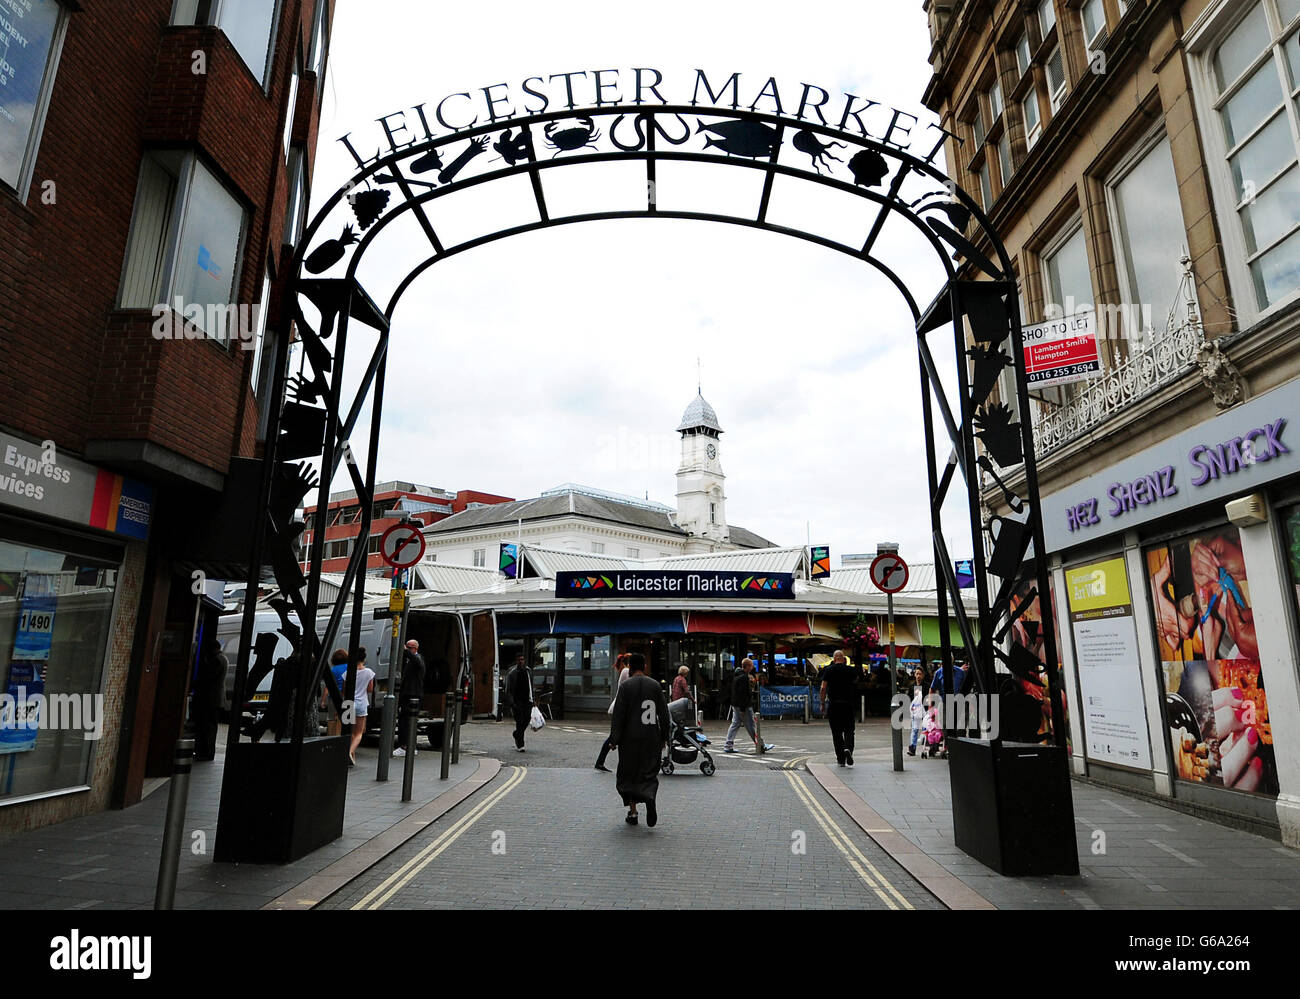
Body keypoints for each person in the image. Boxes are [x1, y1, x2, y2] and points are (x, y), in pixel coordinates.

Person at [608, 653, 669, 826]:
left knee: (628, 774)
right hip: (651, 737)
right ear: (644, 667)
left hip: (630, 739)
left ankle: (633, 812)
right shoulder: (655, 686)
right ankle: (649, 796)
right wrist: (664, 737)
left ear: (631, 668)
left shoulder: (626, 687)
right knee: (648, 772)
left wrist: (614, 739)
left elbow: (618, 715)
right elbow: (664, 714)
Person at [819, 649, 861, 767]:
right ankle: (848, 748)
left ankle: (841, 759)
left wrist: (822, 703)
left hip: (834, 705)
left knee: (836, 733)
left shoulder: (828, 670)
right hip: (847, 704)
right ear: (843, 659)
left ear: (834, 659)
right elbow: (856, 680)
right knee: (849, 730)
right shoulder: (850, 670)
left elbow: (823, 688)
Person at [724, 658, 772, 754]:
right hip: (744, 706)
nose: (753, 667)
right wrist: (743, 708)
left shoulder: (737, 674)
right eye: (752, 665)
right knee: (751, 725)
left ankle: (728, 745)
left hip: (735, 704)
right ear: (748, 666)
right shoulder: (744, 677)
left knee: (735, 724)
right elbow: (743, 694)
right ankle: (761, 745)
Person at [192, 637, 227, 761]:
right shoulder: (222, 659)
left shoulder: (217, 660)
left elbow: (208, 678)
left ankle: (206, 752)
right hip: (216, 699)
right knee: (211, 726)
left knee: (208, 727)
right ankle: (206, 751)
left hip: (211, 699)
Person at [595, 653, 631, 772]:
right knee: (614, 736)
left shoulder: (625, 671)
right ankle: (600, 762)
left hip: (620, 707)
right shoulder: (626, 671)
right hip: (620, 708)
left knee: (617, 735)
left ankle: (601, 762)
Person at [394, 638, 425, 757]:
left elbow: (417, 662)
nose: (407, 649)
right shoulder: (408, 660)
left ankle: (406, 746)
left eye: (410, 647)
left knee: (407, 721)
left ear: (415, 649)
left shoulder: (418, 659)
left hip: (412, 694)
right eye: (406, 646)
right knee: (405, 720)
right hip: (407, 694)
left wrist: (406, 651)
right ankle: (407, 745)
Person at [348, 647, 375, 766]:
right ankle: (350, 752)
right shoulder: (369, 672)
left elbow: (344, 689)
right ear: (364, 658)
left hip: (348, 702)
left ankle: (350, 755)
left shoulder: (349, 671)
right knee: (359, 733)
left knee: (348, 731)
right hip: (362, 702)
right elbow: (370, 689)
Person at [503, 654, 535, 752]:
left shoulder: (528, 671)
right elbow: (508, 689)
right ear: (516, 661)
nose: (521, 661)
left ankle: (516, 734)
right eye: (519, 660)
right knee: (519, 722)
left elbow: (531, 686)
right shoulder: (512, 673)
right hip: (517, 701)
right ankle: (520, 744)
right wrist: (512, 703)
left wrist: (533, 699)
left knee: (526, 720)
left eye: (522, 659)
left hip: (527, 701)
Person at [322, 648, 349, 737]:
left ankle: (331, 738)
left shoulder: (333, 670)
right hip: (348, 697)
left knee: (332, 720)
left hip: (333, 698)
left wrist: (323, 700)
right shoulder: (350, 668)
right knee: (347, 721)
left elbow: (328, 687)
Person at [907, 666, 928, 756]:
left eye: (920, 674)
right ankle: (912, 748)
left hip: (925, 711)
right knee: (914, 730)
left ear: (923, 675)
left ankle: (927, 746)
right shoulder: (912, 687)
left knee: (925, 729)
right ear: (915, 675)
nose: (918, 676)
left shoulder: (927, 686)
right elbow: (909, 699)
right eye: (917, 674)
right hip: (915, 711)